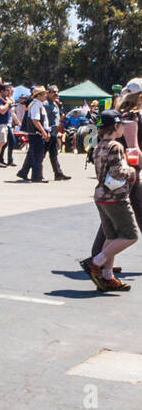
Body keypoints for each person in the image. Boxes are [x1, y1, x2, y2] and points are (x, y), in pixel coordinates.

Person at [82, 110, 138, 291]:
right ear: (116, 126)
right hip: (116, 197)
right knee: (130, 235)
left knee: (111, 235)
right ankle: (95, 263)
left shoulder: (99, 146)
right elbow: (117, 172)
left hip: (101, 196)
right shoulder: (116, 146)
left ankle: (107, 276)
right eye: (121, 125)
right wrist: (131, 171)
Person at [17, 87, 50, 182]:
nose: (45, 95)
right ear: (38, 95)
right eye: (44, 94)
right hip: (36, 133)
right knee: (38, 156)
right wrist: (43, 131)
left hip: (36, 133)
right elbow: (35, 120)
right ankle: (37, 176)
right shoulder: (36, 105)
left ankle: (23, 172)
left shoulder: (37, 104)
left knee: (32, 154)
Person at [45, 85, 71, 181]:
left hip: (54, 133)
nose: (56, 94)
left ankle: (58, 174)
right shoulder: (46, 104)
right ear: (48, 93)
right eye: (53, 92)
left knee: (53, 154)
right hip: (47, 132)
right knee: (40, 155)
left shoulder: (55, 104)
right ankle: (30, 172)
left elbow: (58, 118)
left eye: (57, 92)